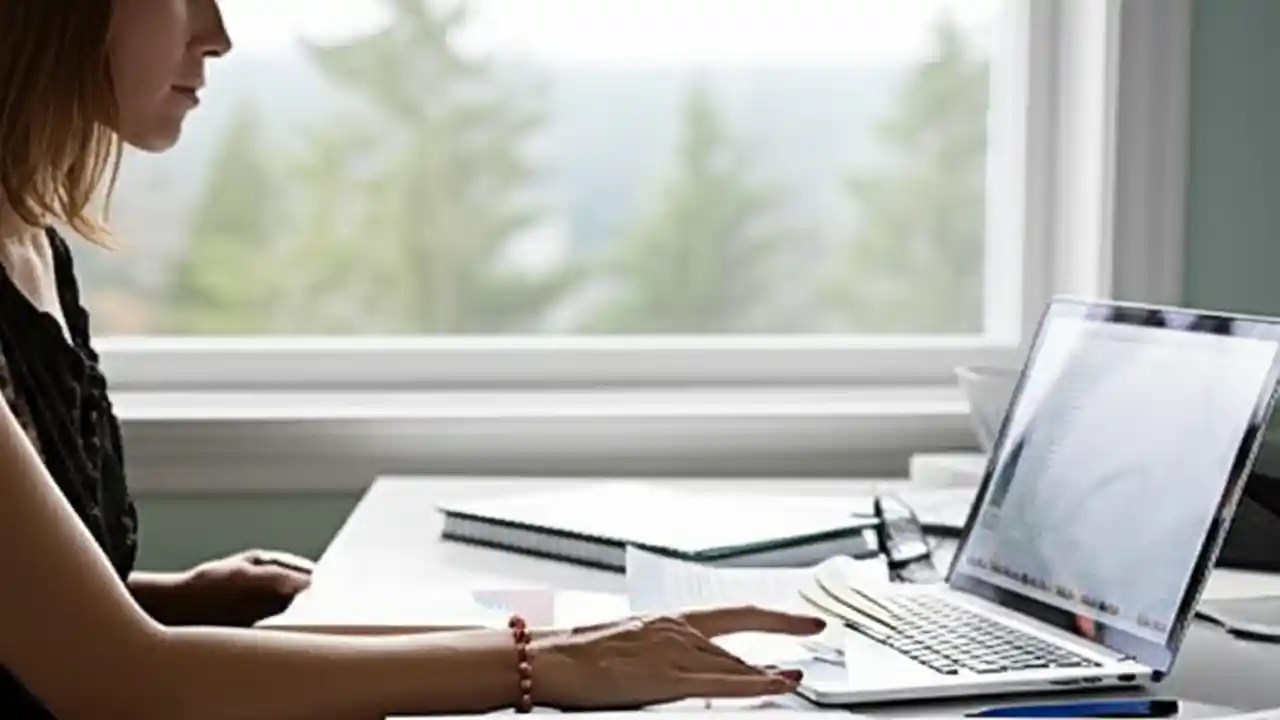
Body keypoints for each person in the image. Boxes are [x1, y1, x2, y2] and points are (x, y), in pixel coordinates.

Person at [0, 1, 826, 717]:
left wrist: (167, 601)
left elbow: (58, 636)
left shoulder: (34, 248)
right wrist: (546, 662)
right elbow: (115, 679)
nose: (216, 33)